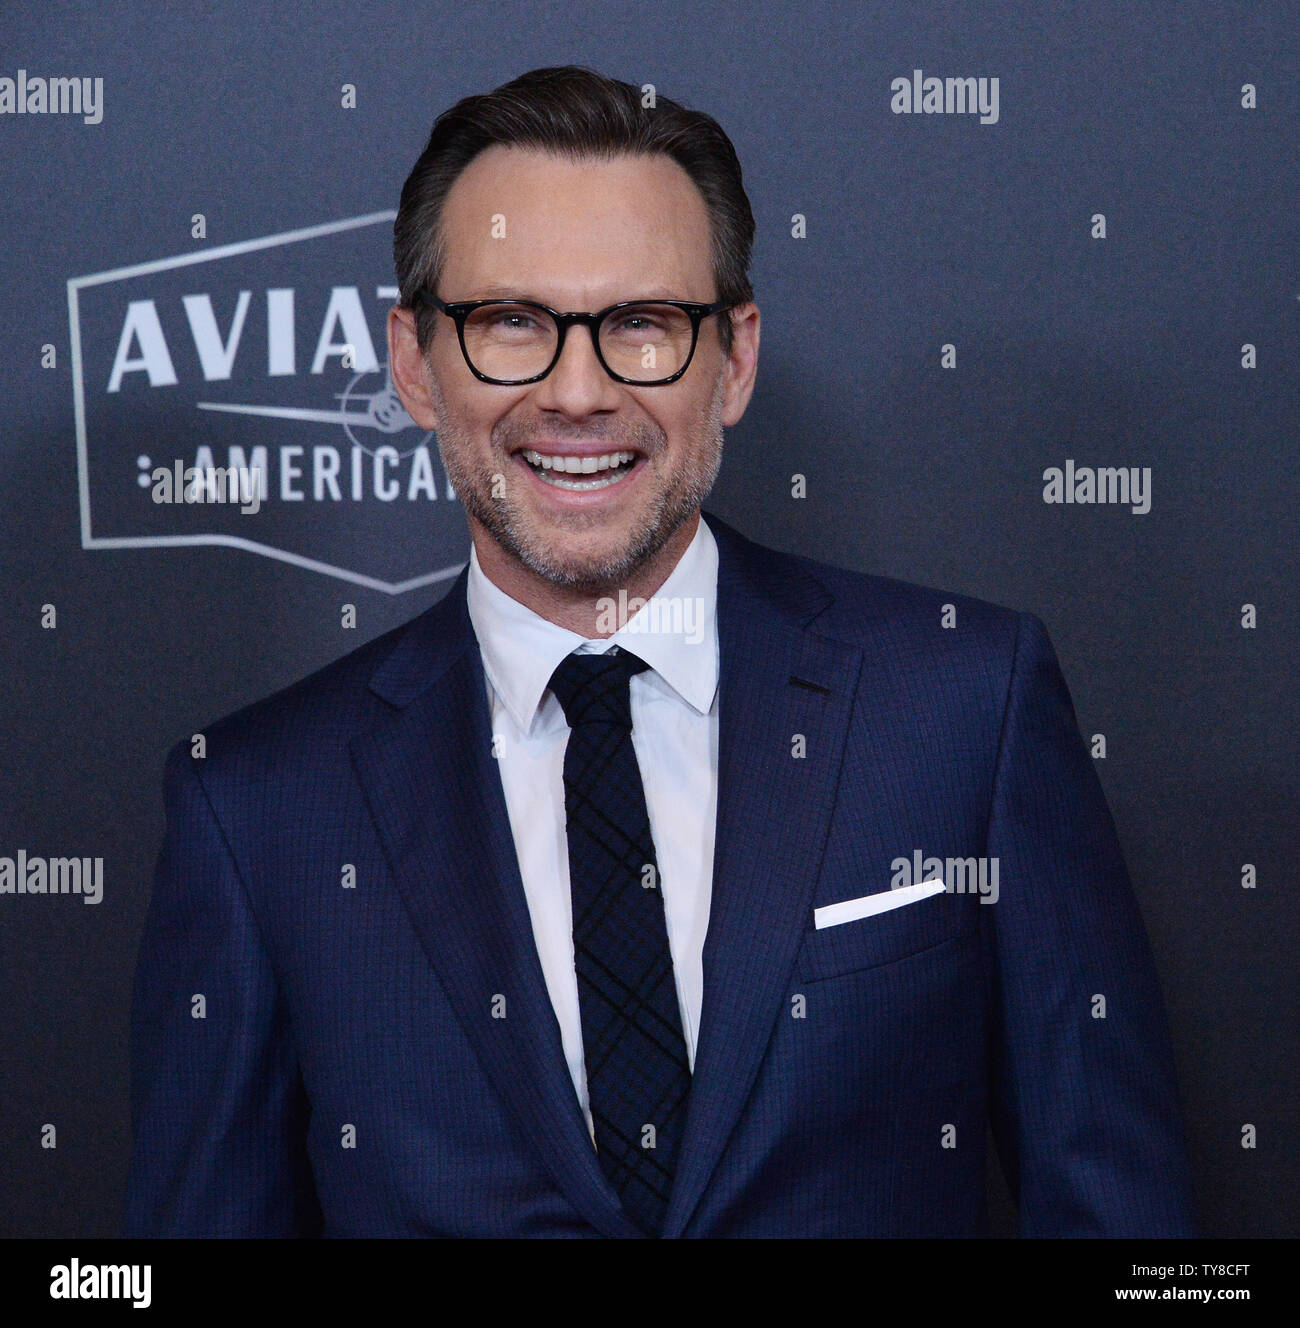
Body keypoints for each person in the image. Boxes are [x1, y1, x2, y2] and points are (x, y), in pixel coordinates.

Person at [123, 65, 1195, 1238]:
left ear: (730, 359)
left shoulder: (962, 703)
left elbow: (1120, 1221)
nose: (575, 392)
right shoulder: (261, 807)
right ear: (414, 364)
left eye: (641, 324)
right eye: (510, 323)